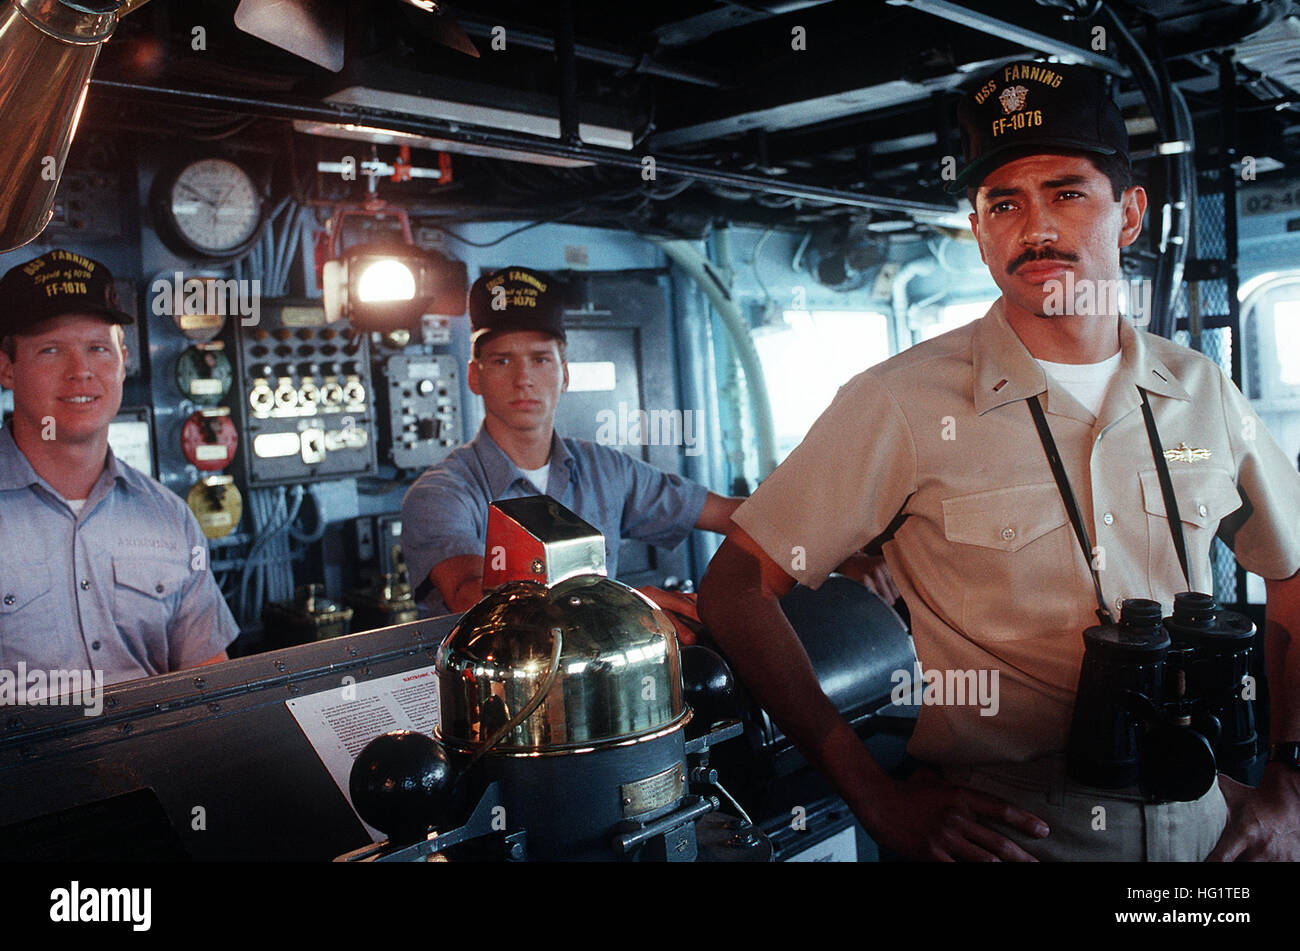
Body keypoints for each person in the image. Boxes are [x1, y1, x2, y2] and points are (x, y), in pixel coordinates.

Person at [697, 62, 1300, 861]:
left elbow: (1293, 576)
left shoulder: (1200, 391)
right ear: (980, 232)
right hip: (1013, 832)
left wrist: (1289, 780)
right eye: (1004, 204)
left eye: (1068, 193)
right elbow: (736, 587)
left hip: (1203, 817)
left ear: (1130, 216)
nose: (1037, 229)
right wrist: (870, 791)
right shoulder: (899, 402)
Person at [400, 266, 898, 636]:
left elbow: (735, 516)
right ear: (473, 375)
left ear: (565, 373)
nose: (523, 377)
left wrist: (838, 555)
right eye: (501, 359)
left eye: (540, 359)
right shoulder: (443, 494)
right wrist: (630, 606)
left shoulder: (603, 470)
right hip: (486, 710)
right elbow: (475, 600)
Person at [0, 249, 239, 688]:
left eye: (98, 349)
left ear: (123, 361)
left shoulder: (170, 518)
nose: (81, 372)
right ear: (7, 368)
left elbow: (210, 689)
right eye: (51, 350)